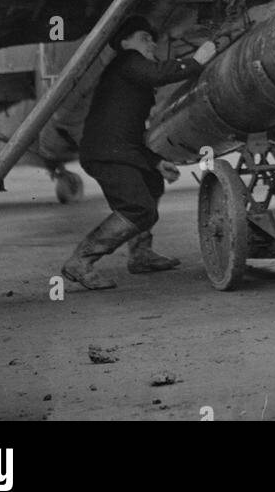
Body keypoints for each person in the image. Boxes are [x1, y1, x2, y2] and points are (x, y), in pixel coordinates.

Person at [61, 16, 200, 290]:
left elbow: (129, 136)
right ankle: (80, 261)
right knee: (138, 208)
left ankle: (141, 254)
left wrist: (157, 163)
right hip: (106, 154)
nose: (151, 43)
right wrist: (199, 60)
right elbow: (160, 73)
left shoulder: (131, 73)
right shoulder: (127, 61)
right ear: (124, 42)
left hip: (117, 151)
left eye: (152, 39)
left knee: (151, 184)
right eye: (144, 38)